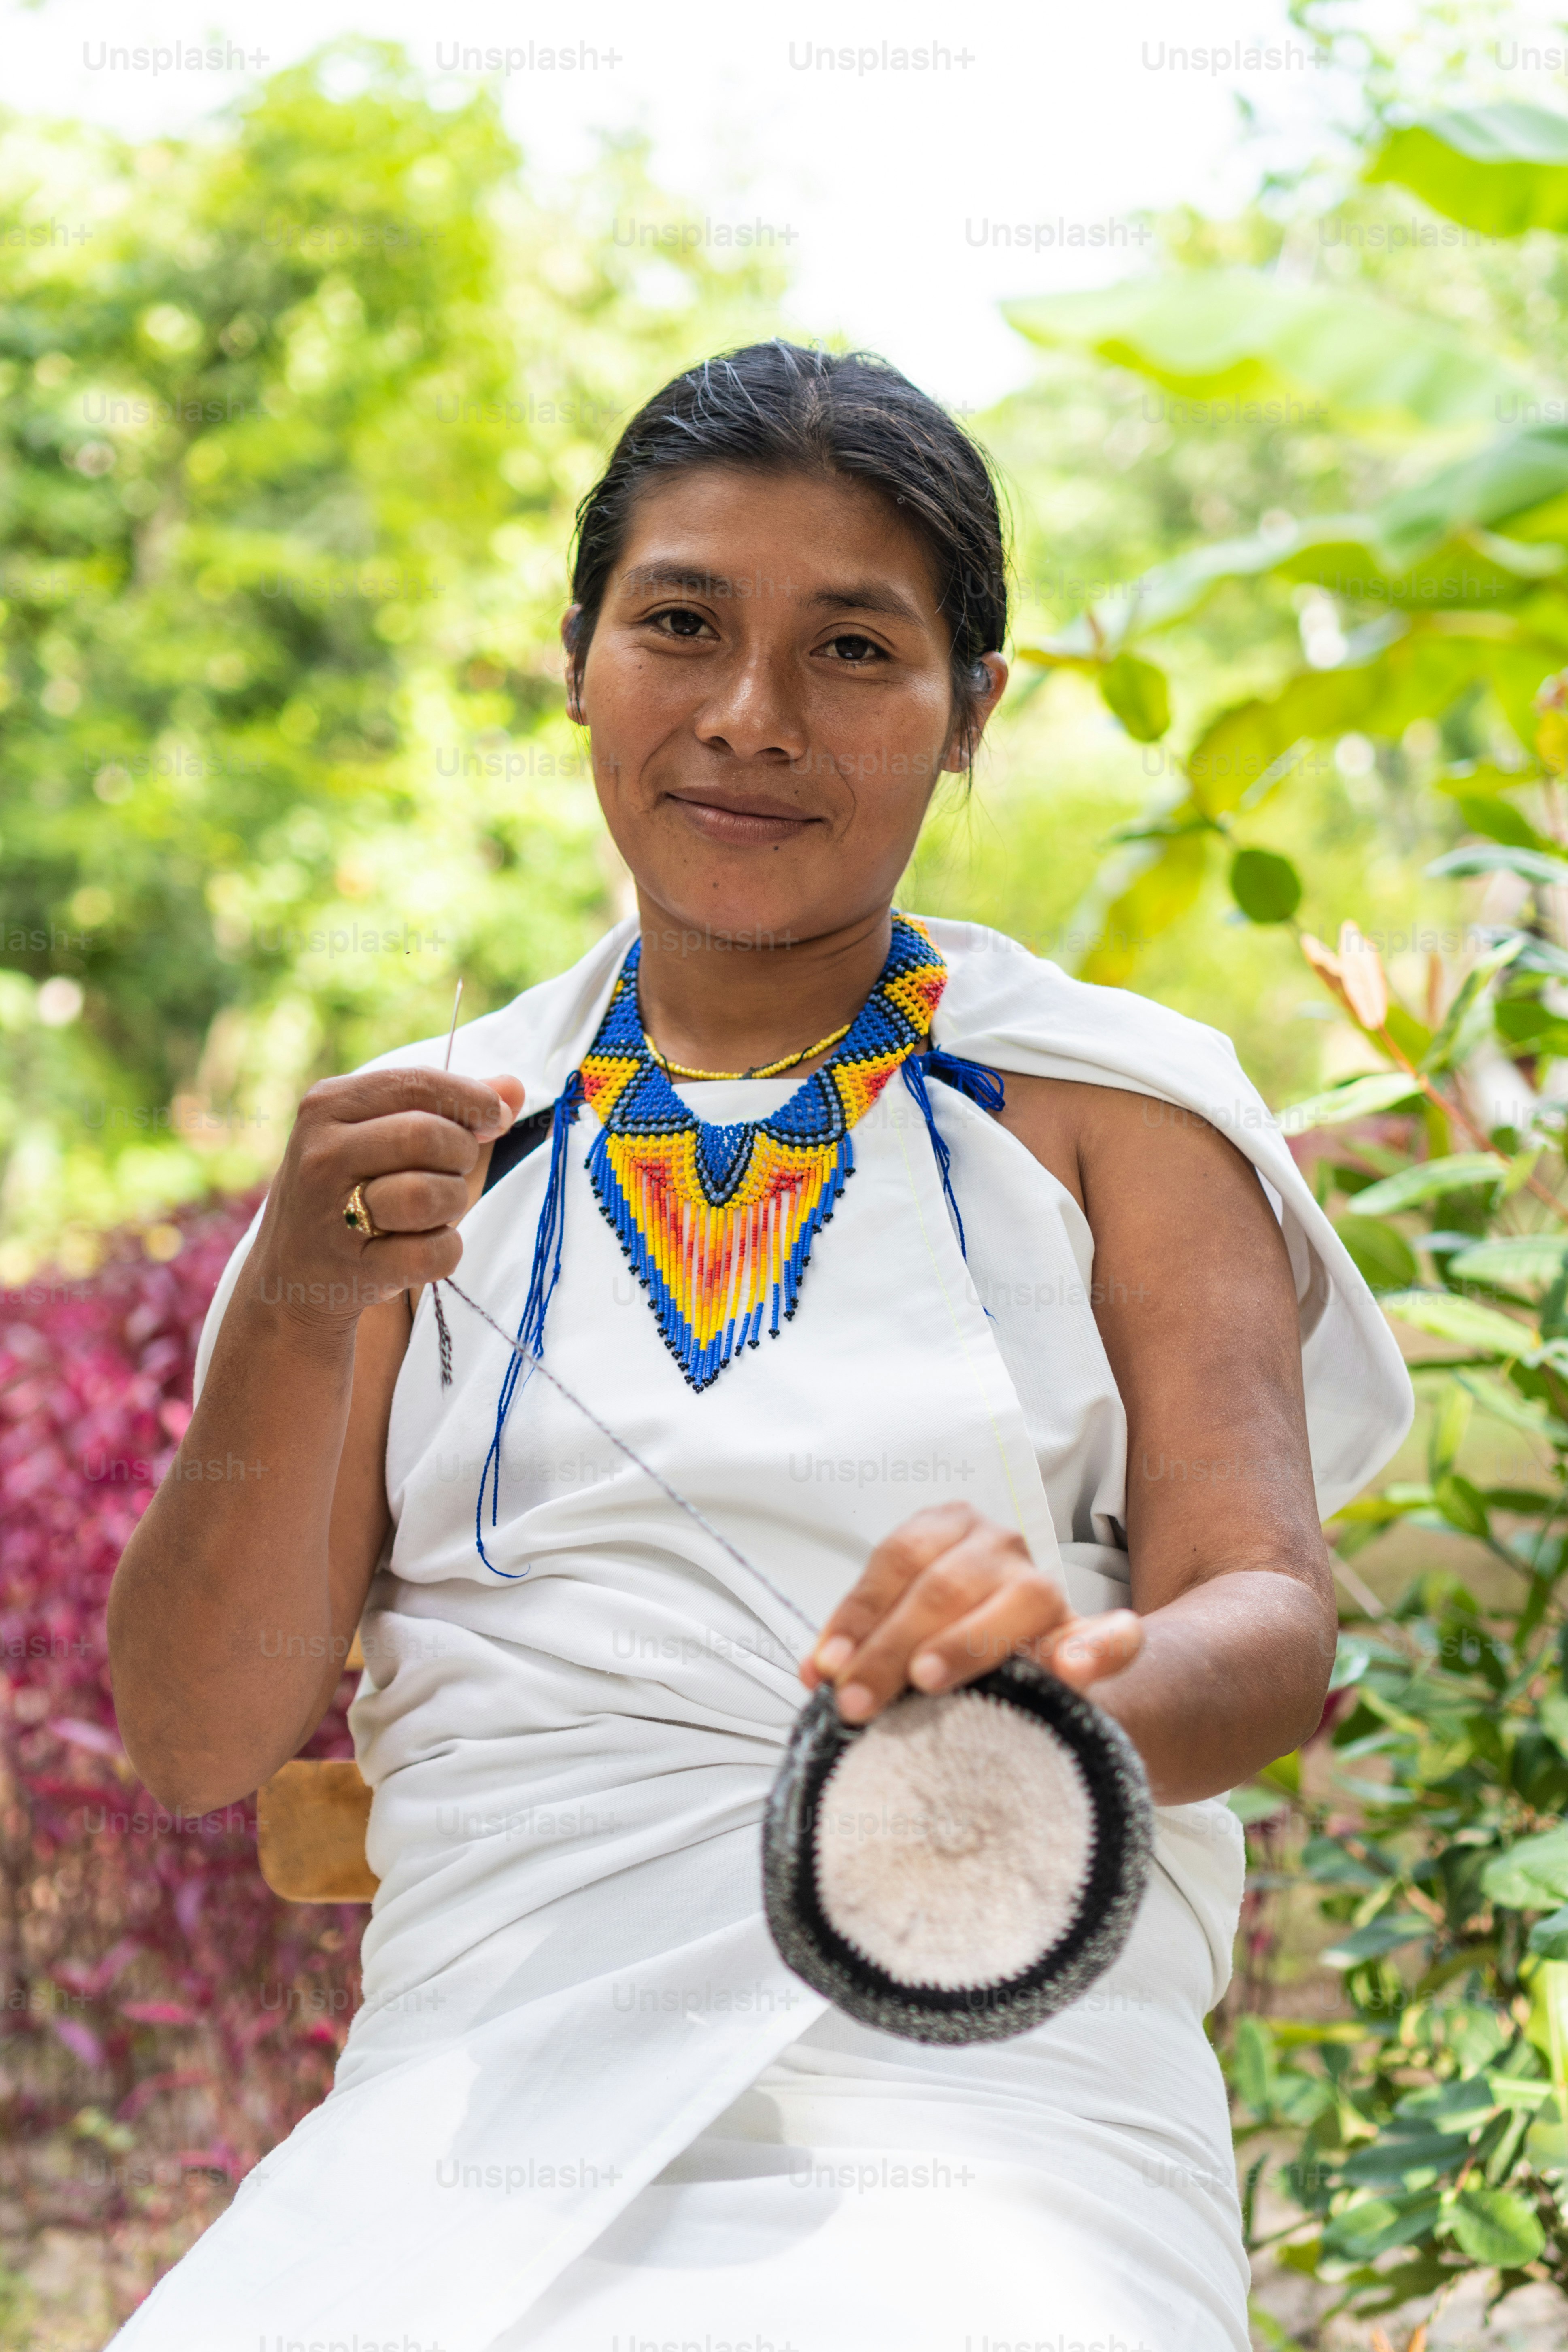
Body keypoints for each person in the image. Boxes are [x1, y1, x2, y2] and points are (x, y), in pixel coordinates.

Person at [106, 340, 1412, 2352]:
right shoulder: (413, 1151)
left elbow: (1275, 1625)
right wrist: (294, 1314)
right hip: (471, 2123)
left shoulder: (1111, 1108)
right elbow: (198, 1737)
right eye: (682, 624)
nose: (747, 717)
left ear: (973, 710)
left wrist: (1050, 1699)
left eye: (855, 651)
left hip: (994, 2084)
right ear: (578, 662)